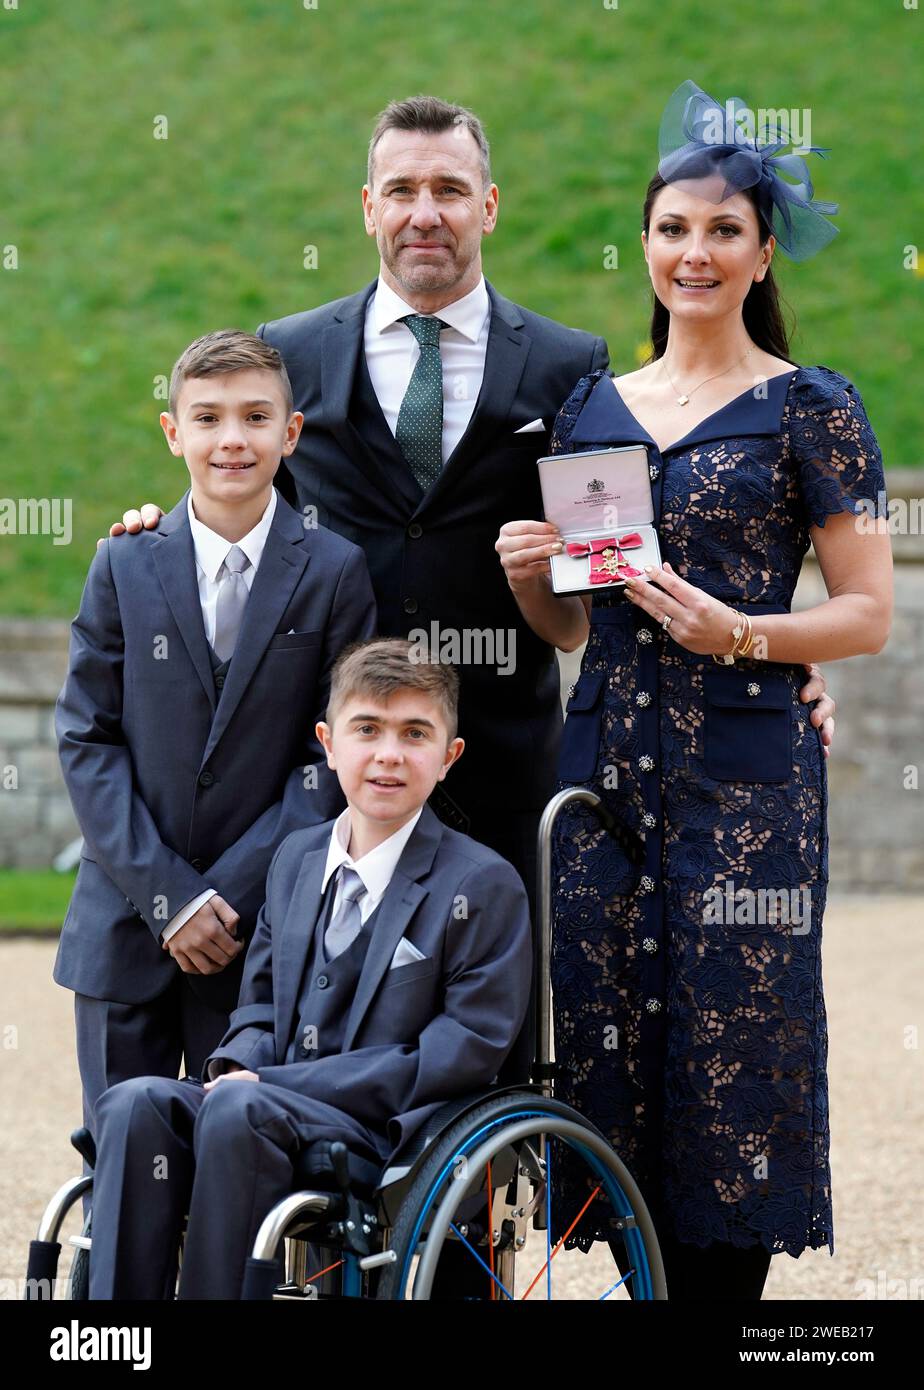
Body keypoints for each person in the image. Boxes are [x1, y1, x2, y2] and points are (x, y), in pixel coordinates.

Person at [100, 93, 839, 934]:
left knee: (507, 1029)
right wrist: (158, 537)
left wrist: (771, 654)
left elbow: (602, 590)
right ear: (367, 206)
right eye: (403, 189)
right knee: (331, 1029)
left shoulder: (573, 367)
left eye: (449, 190)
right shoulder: (292, 350)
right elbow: (243, 509)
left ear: (488, 206)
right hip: (333, 761)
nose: (425, 214)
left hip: (503, 759)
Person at [495, 80, 893, 1301]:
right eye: (674, 228)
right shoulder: (592, 410)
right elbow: (575, 624)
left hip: (748, 779)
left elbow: (868, 615)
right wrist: (527, 581)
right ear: (649, 242)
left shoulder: (812, 407)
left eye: (724, 230)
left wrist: (746, 633)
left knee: (737, 1034)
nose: (695, 252)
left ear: (763, 249)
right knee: (608, 1031)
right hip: (606, 763)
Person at [86, 638, 533, 1299]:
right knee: (135, 1103)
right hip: (264, 1104)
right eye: (367, 729)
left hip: (387, 1133)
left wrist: (272, 1084)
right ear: (328, 745)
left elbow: (457, 1056)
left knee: (240, 1108)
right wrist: (236, 1064)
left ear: (448, 758)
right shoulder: (295, 860)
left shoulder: (483, 884)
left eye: (415, 733)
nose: (388, 753)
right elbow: (258, 1007)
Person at [55, 330, 376, 1186]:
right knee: (118, 1174)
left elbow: (331, 758)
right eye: (208, 418)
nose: (231, 439)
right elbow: (86, 737)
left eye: (254, 418)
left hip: (255, 933)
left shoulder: (336, 572)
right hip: (126, 931)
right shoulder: (122, 560)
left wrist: (225, 898)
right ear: (173, 433)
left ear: (291, 432)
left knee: (237, 1178)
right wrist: (169, 898)